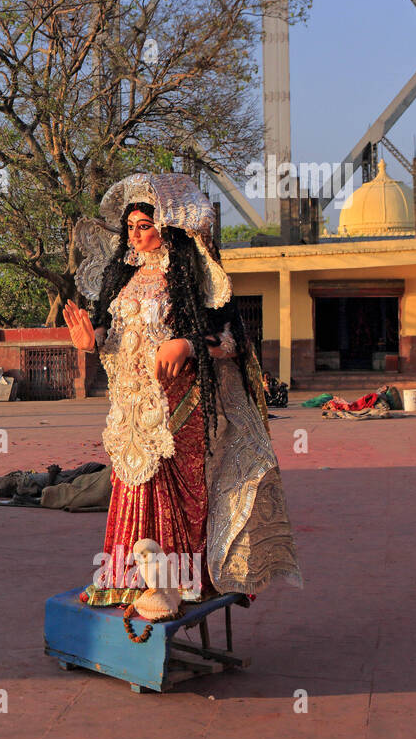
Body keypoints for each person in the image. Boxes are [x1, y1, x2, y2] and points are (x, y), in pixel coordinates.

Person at [66, 172, 302, 615]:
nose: (135, 235)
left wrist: (189, 344)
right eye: (131, 227)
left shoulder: (192, 276)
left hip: (180, 406)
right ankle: (128, 578)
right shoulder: (123, 276)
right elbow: (112, 332)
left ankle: (179, 583)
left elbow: (230, 340)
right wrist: (92, 338)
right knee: (131, 487)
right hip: (131, 406)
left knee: (172, 490)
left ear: (168, 226)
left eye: (145, 226)